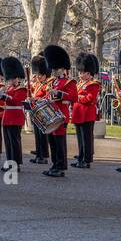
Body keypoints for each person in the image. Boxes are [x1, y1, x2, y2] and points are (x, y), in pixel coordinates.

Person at [41, 45, 77, 177]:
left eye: (56, 69)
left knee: (59, 142)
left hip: (61, 115)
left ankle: (61, 166)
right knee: (52, 141)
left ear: (62, 69)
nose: (54, 71)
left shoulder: (69, 82)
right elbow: (47, 95)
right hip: (51, 115)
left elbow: (74, 97)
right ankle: (55, 164)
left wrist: (60, 94)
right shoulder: (52, 81)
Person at [71, 53, 100, 169]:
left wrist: (77, 98)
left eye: (83, 72)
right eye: (80, 72)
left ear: (89, 73)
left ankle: (86, 160)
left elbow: (90, 98)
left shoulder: (93, 84)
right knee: (80, 138)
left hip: (87, 114)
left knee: (86, 139)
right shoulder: (79, 84)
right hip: (78, 113)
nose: (81, 75)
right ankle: (81, 157)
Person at [0, 57, 27, 172]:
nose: (9, 81)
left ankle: (16, 164)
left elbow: (15, 101)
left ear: (17, 78)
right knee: (8, 142)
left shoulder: (22, 89)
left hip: (15, 116)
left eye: (11, 78)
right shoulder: (8, 88)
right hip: (7, 116)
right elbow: (3, 101)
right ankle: (10, 162)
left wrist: (4, 96)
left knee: (15, 142)